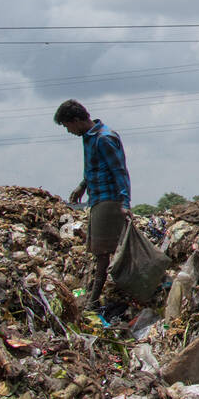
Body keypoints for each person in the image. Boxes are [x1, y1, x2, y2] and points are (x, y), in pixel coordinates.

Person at [54, 100, 131, 315]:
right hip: (96, 198)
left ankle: (94, 301)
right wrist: (81, 186)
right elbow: (95, 168)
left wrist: (125, 203)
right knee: (99, 251)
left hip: (109, 200)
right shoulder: (89, 138)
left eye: (67, 126)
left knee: (103, 253)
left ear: (76, 121)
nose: (68, 131)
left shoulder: (104, 138)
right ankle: (96, 297)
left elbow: (120, 171)